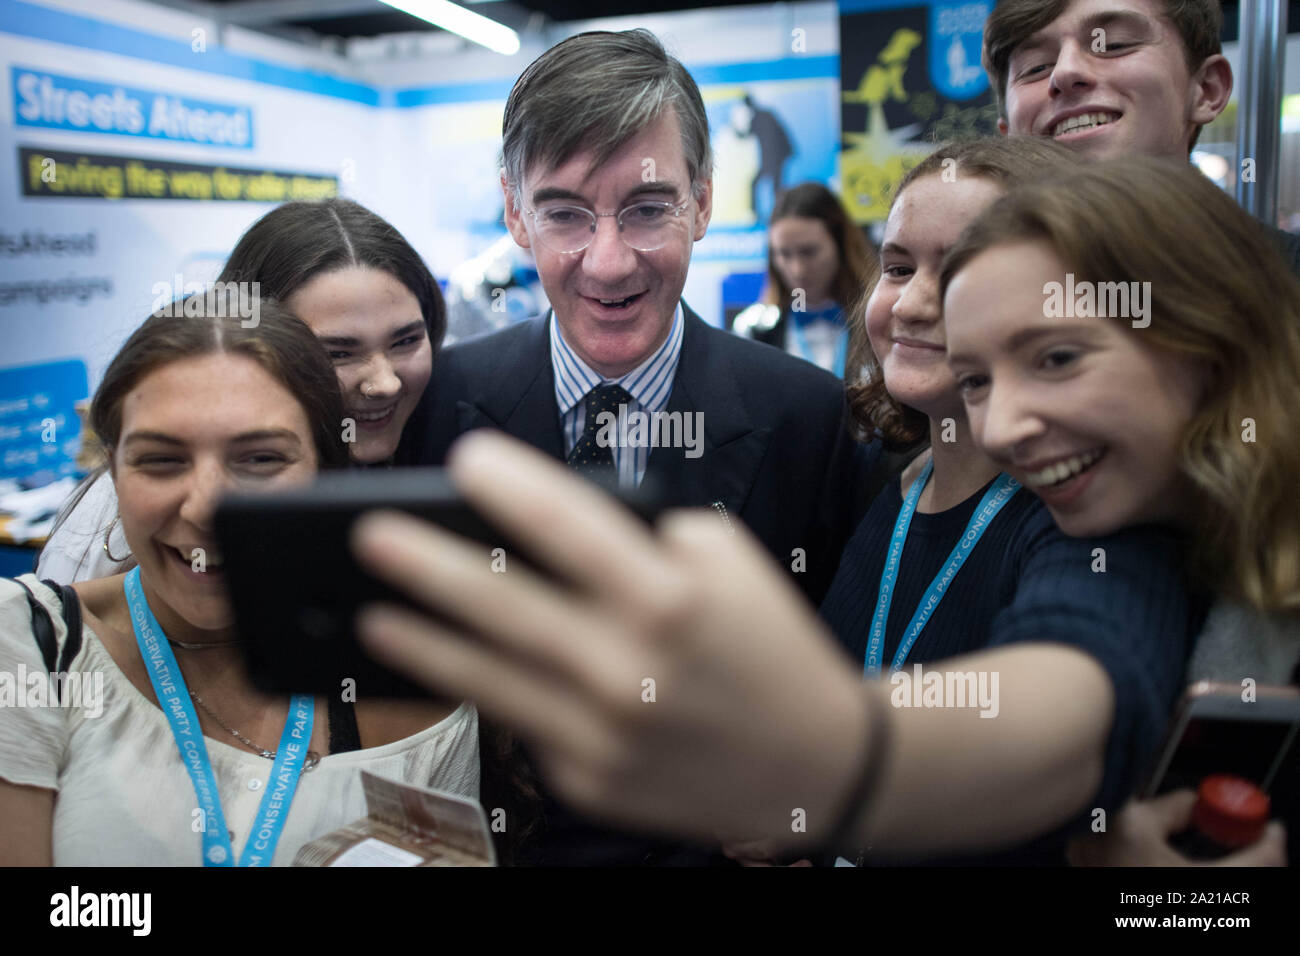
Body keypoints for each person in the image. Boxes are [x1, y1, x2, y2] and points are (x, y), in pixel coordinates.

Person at [348, 141, 1209, 867]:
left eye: (1055, 355)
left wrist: (828, 767)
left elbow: (1079, 694)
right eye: (900, 265)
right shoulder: (891, 479)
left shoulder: (1084, 517)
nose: (914, 303)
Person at [0, 298, 475, 866]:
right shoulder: (31, 647)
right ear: (114, 473)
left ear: (325, 474)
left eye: (260, 459)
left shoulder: (414, 685)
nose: (205, 508)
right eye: (161, 460)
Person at [421, 28, 871, 609]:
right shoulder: (439, 404)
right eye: (564, 214)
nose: (608, 265)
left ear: (702, 203)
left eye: (649, 210)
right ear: (515, 213)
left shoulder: (812, 423)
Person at [939, 156, 1298, 865]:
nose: (1001, 428)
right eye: (974, 381)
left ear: (1211, 335)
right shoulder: (1114, 520)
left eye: (1058, 358)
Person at [36, 198, 447, 584]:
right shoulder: (125, 507)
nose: (385, 383)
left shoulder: (439, 444)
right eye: (338, 353)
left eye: (406, 341)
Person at [982, 0, 1300, 274]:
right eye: (1036, 67)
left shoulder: (1287, 287)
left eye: (1113, 45)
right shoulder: (967, 297)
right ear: (1008, 132)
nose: (1064, 73)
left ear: (1206, 90)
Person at [732, 182, 875, 378]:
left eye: (809, 252)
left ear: (840, 246)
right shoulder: (754, 331)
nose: (797, 270)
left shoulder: (877, 322)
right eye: (784, 254)